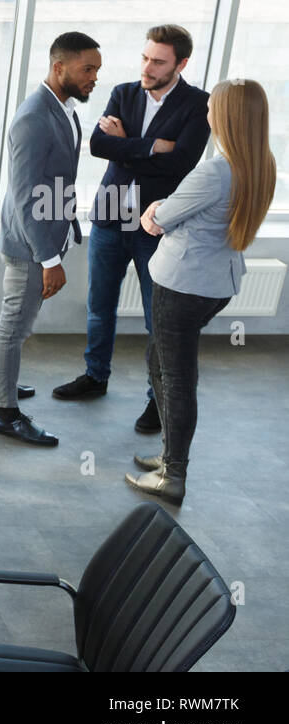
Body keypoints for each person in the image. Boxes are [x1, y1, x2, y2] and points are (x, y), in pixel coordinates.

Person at [53, 24, 210, 436]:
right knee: (99, 306)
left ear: (181, 64)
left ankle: (156, 399)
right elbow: (99, 146)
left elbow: (182, 164)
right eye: (145, 57)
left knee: (157, 317)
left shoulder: (199, 105)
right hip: (109, 218)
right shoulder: (123, 92)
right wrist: (154, 145)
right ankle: (95, 376)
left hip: (155, 226)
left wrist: (130, 145)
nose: (148, 66)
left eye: (158, 61)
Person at [128, 79, 276, 504]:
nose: (207, 113)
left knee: (176, 377)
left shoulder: (215, 170)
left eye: (214, 108)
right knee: (160, 360)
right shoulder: (260, 162)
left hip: (183, 284)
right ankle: (168, 456)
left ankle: (173, 474)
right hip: (216, 282)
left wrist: (155, 210)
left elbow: (160, 218)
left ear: (226, 117)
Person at [0, 32, 101, 446]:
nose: (94, 78)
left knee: (12, 320)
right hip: (31, 245)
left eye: (97, 71)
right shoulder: (34, 117)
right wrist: (49, 258)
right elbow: (24, 195)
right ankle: (6, 413)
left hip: (45, 237)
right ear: (59, 67)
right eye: (87, 69)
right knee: (15, 327)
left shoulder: (63, 109)